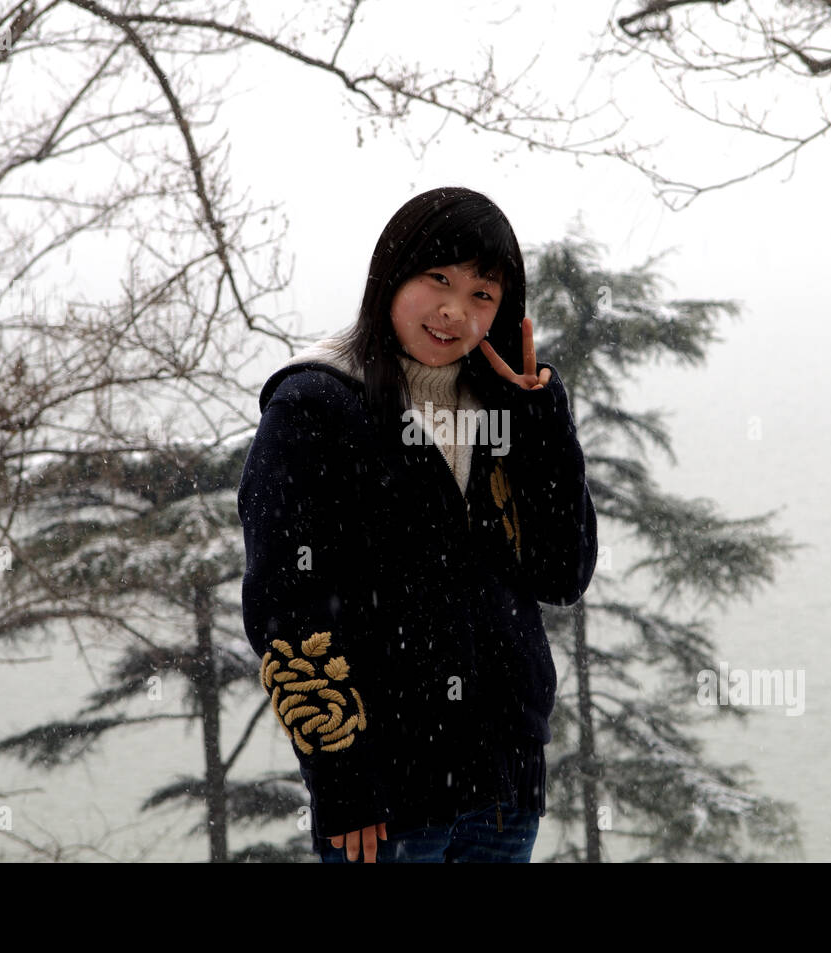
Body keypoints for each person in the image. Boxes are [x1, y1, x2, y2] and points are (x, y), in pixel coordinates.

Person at [236, 185, 598, 863]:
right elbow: (287, 608)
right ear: (392, 272)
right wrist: (342, 782)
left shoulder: (503, 404)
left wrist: (543, 419)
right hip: (387, 801)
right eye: (438, 278)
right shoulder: (315, 405)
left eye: (482, 294)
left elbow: (561, 573)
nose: (454, 310)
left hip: (504, 789)